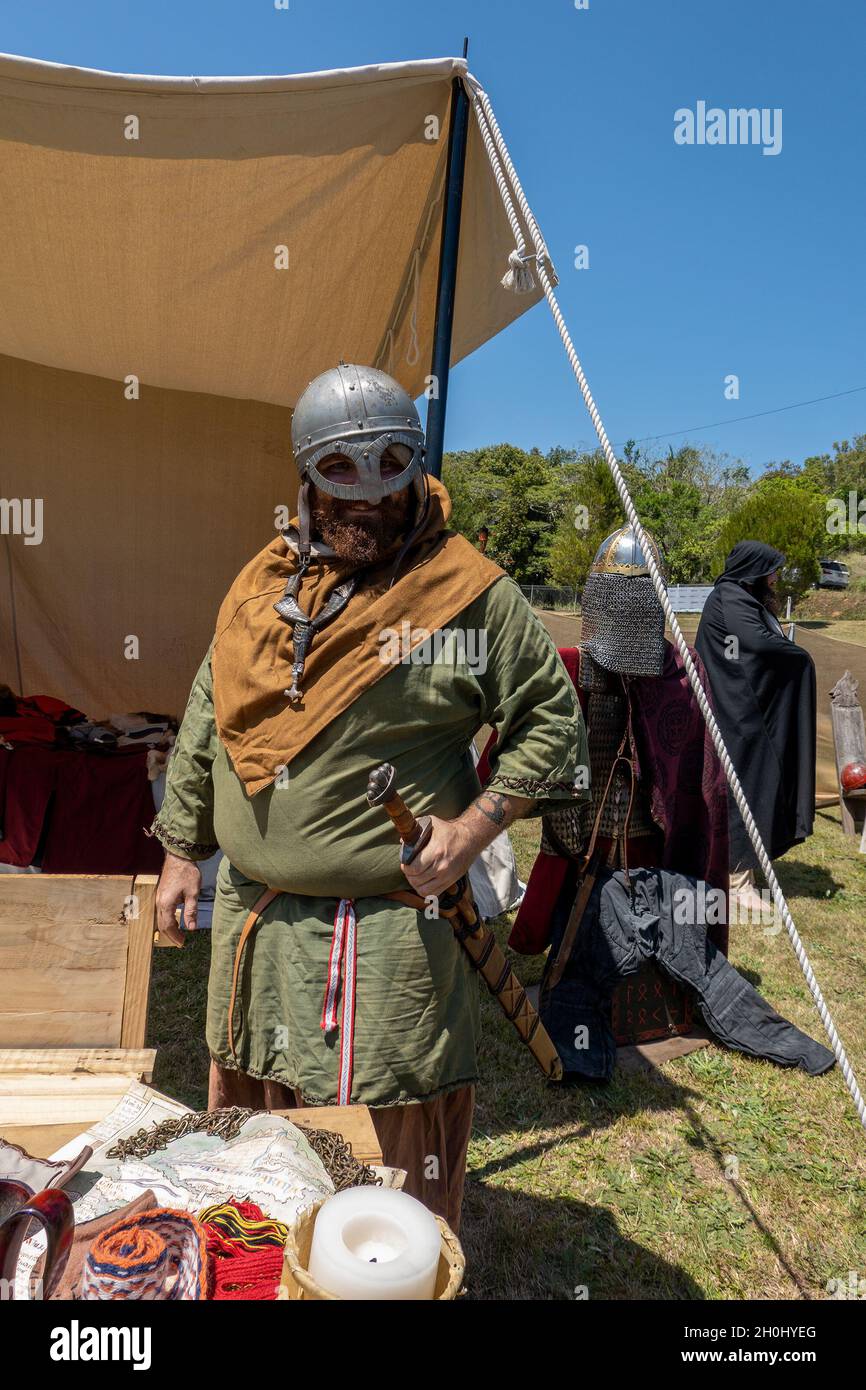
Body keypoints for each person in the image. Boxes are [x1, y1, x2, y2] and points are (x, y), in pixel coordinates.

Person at [150, 362, 589, 1232]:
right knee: (254, 1122)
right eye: (341, 473)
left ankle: (386, 1269)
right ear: (305, 476)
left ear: (418, 465)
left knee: (385, 1143)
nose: (368, 497)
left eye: (391, 466)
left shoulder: (466, 595)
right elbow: (210, 713)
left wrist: (472, 830)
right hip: (256, 914)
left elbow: (551, 721)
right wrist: (176, 849)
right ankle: (268, 1260)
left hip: (388, 930)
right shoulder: (258, 587)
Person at [487, 524, 729, 1058]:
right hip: (586, 848)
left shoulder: (683, 677)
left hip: (648, 851)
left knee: (637, 935)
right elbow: (514, 756)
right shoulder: (575, 671)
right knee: (585, 945)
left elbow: (701, 786)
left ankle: (649, 996)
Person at [695, 541, 816, 914]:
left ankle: (741, 873)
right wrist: (801, 660)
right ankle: (735, 882)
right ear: (754, 570)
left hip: (747, 713)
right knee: (742, 793)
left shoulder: (738, 600)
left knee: (755, 789)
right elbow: (758, 648)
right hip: (736, 719)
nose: (775, 577)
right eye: (771, 570)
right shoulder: (728, 600)